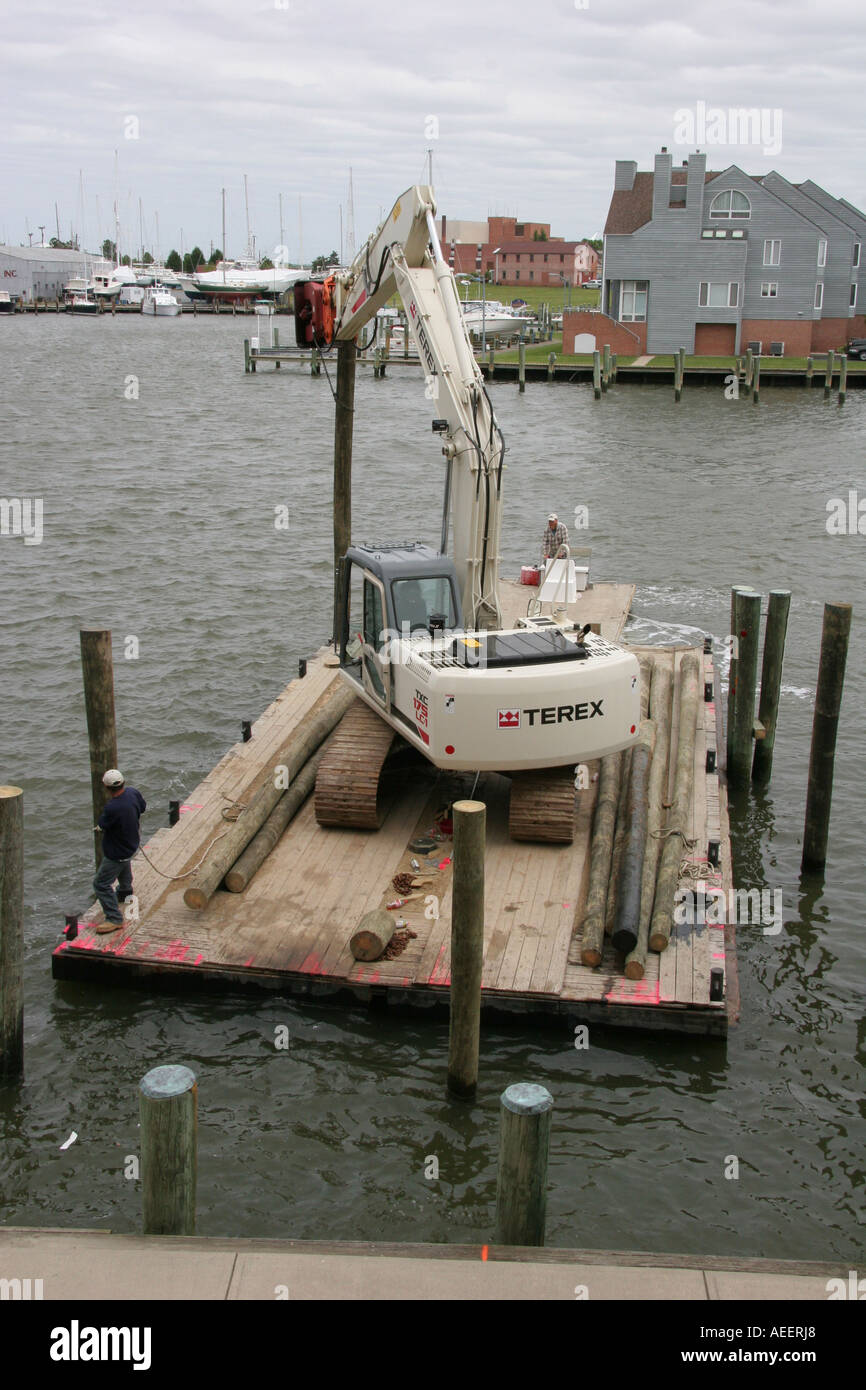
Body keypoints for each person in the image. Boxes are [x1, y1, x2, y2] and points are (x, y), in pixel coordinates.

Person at [93, 770, 146, 932]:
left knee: (101, 884)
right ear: (123, 782)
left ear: (107, 787)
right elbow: (142, 807)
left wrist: (99, 827)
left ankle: (114, 918)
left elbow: (103, 824)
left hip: (117, 852)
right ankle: (125, 892)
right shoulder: (133, 793)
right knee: (124, 865)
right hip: (131, 844)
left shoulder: (112, 807)